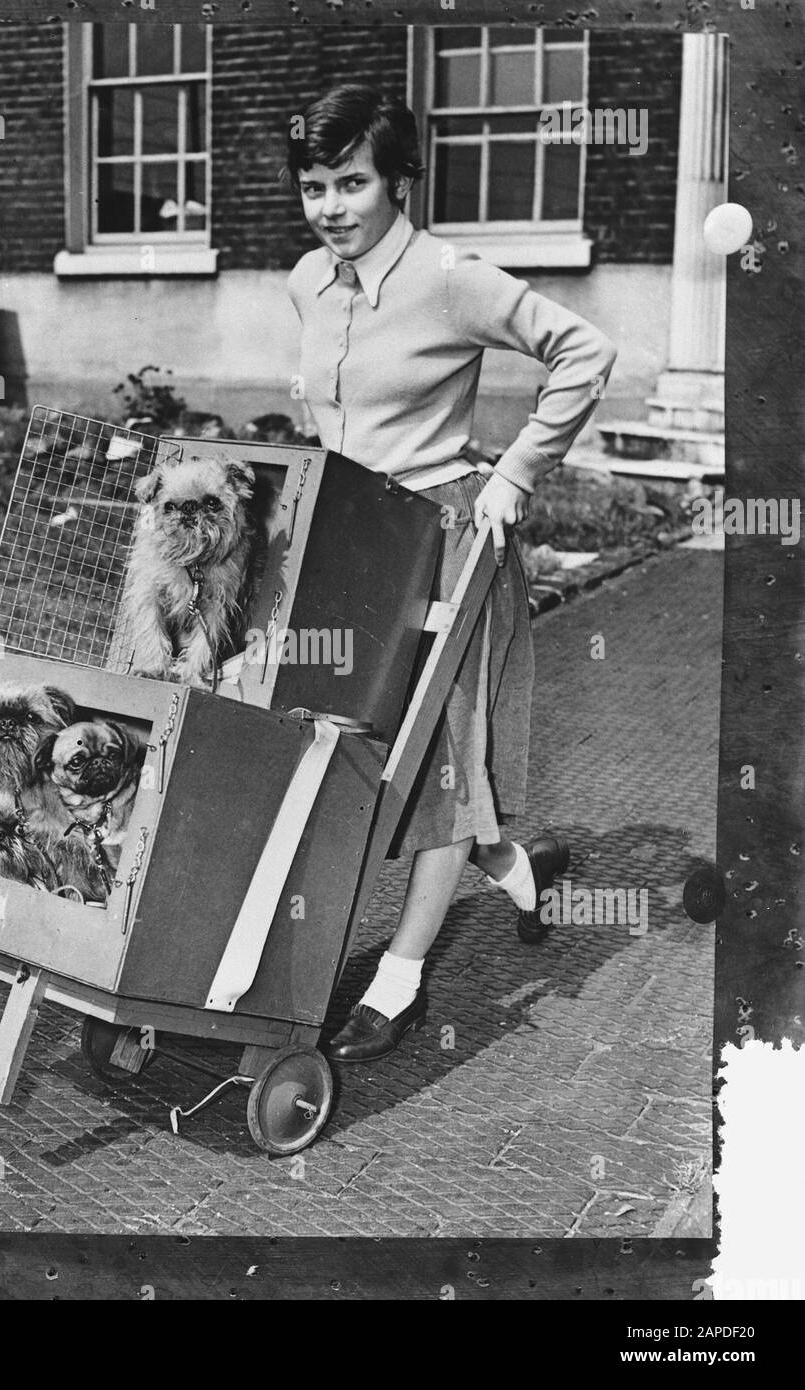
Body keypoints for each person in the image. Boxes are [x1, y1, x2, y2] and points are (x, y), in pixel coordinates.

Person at [284, 85, 618, 1063]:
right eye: (314, 186)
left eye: (352, 183)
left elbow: (583, 351)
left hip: (448, 539)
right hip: (353, 543)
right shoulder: (306, 280)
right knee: (345, 749)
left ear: (399, 180)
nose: (332, 206)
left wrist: (514, 472)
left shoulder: (447, 275)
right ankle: (513, 865)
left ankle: (399, 982)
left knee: (436, 766)